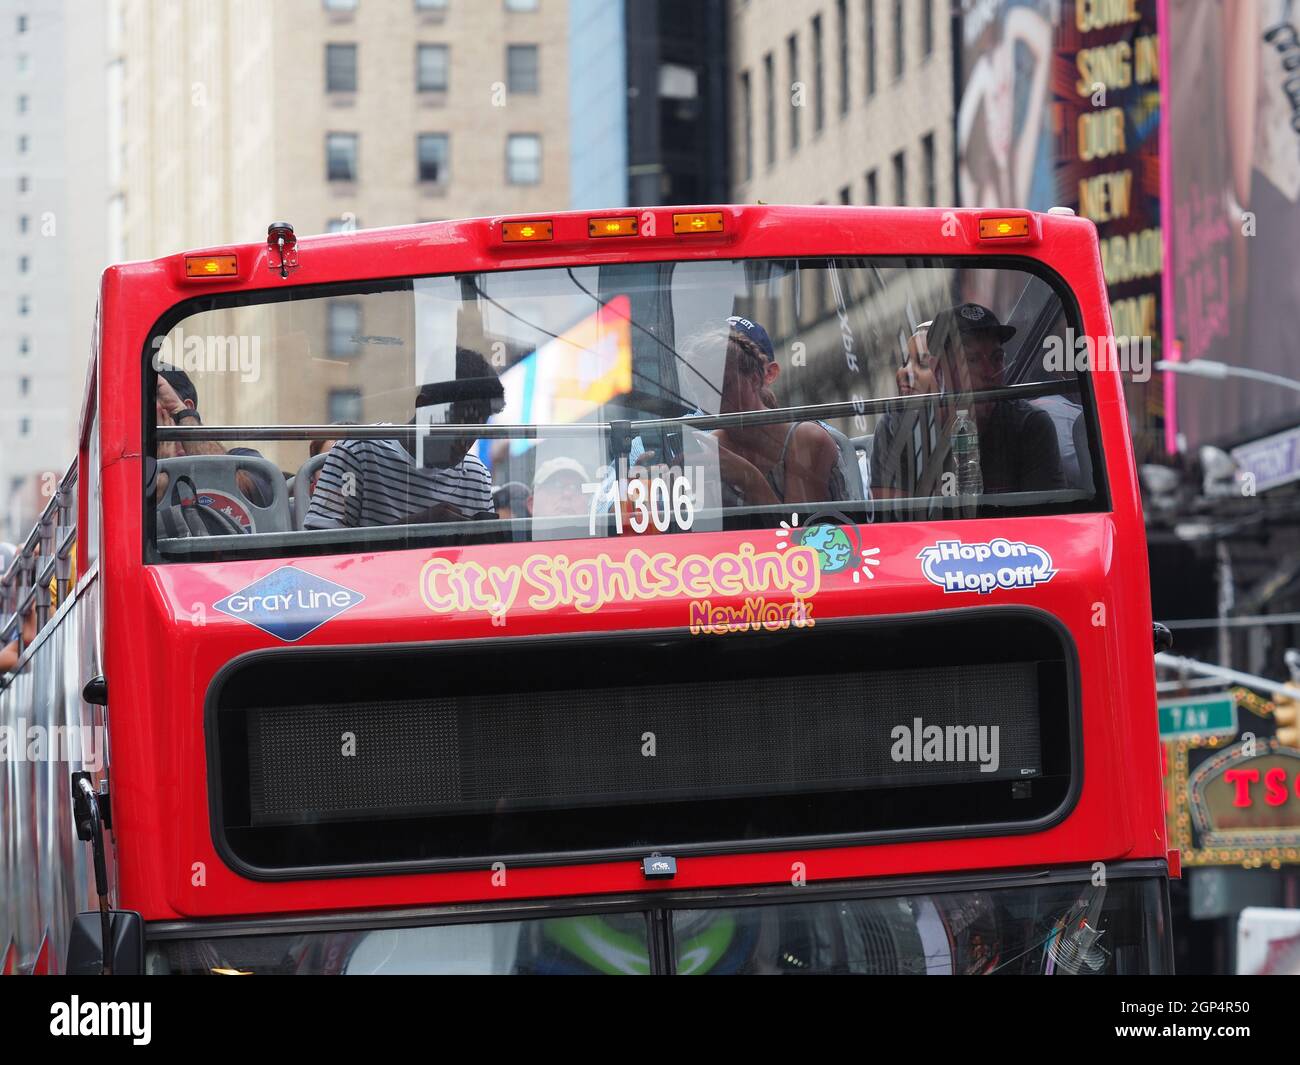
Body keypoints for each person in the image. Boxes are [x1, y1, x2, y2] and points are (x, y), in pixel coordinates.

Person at [304, 347, 499, 529]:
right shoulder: (357, 452)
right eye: (459, 425)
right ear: (424, 406)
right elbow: (319, 549)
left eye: (476, 429)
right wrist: (417, 530)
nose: (466, 442)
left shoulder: (476, 475)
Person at [924, 302, 1066, 497]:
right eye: (972, 360)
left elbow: (1047, 518)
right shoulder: (908, 430)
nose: (990, 372)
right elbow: (888, 521)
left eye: (996, 358)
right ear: (940, 371)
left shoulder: (1029, 425)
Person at [711, 317, 847, 507]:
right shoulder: (711, 445)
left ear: (757, 377)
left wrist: (749, 479)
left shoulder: (806, 440)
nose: (713, 401)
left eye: (725, 386)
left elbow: (801, 532)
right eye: (701, 391)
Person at [155, 367, 274, 507]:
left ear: (188, 407)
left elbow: (237, 493)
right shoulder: (136, 471)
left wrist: (181, 412)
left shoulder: (244, 460)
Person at [871, 322, 944, 500]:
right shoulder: (891, 426)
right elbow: (890, 515)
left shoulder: (974, 420)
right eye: (904, 362)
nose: (904, 372)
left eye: (923, 363)